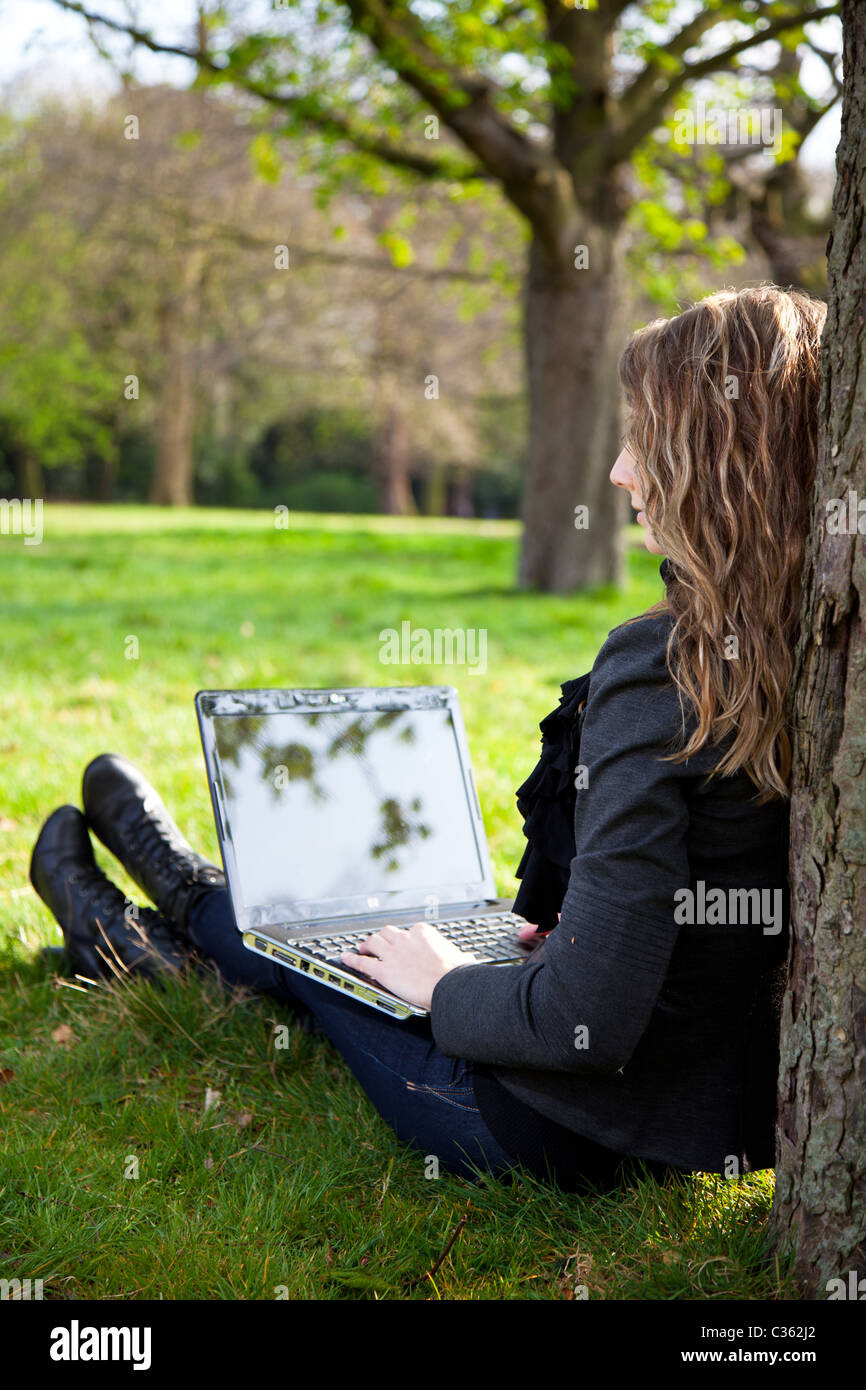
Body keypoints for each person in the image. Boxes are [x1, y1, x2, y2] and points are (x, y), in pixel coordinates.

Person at [29, 284, 825, 1192]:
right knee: (376, 940)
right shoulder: (815, 640)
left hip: (540, 1123)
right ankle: (178, 900)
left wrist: (444, 982)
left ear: (714, 461)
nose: (619, 473)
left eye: (643, 441)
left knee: (336, 956)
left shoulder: (662, 667)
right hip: (701, 1116)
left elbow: (587, 1020)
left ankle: (147, 921)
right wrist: (587, 938)